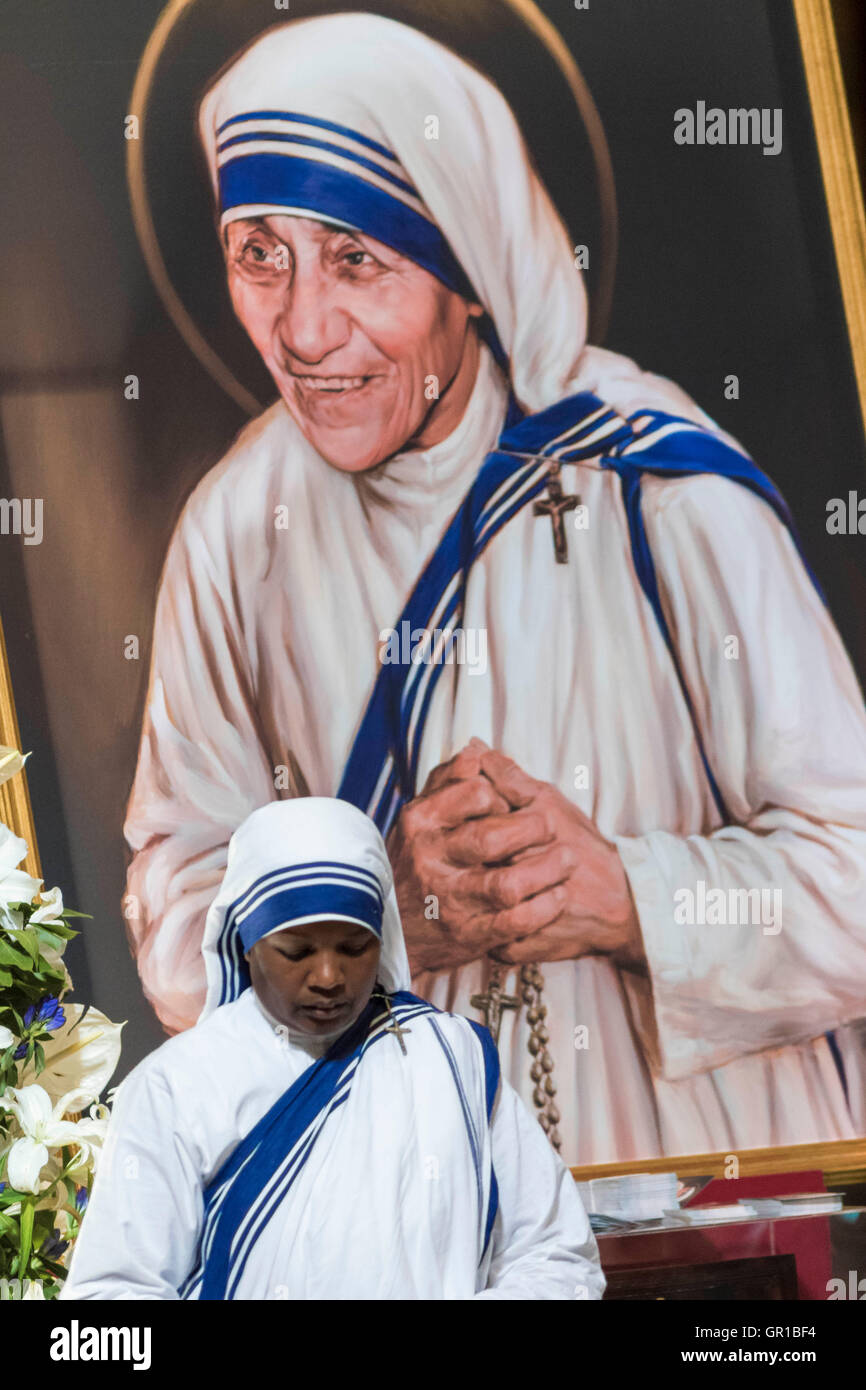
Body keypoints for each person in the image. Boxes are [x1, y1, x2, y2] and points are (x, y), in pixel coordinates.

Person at [123, 12, 866, 1166]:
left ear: (468, 270)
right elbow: (177, 930)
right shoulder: (233, 532)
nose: (304, 329)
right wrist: (384, 919)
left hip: (710, 1194)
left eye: (357, 257)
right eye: (258, 252)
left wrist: (627, 896)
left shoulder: (653, 484)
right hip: (398, 1206)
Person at [59, 798, 605, 1300]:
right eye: (296, 950)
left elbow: (556, 1254)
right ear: (247, 944)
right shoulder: (177, 1087)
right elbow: (109, 1301)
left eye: (353, 947)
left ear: (384, 936)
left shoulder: (451, 1057)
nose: (328, 976)